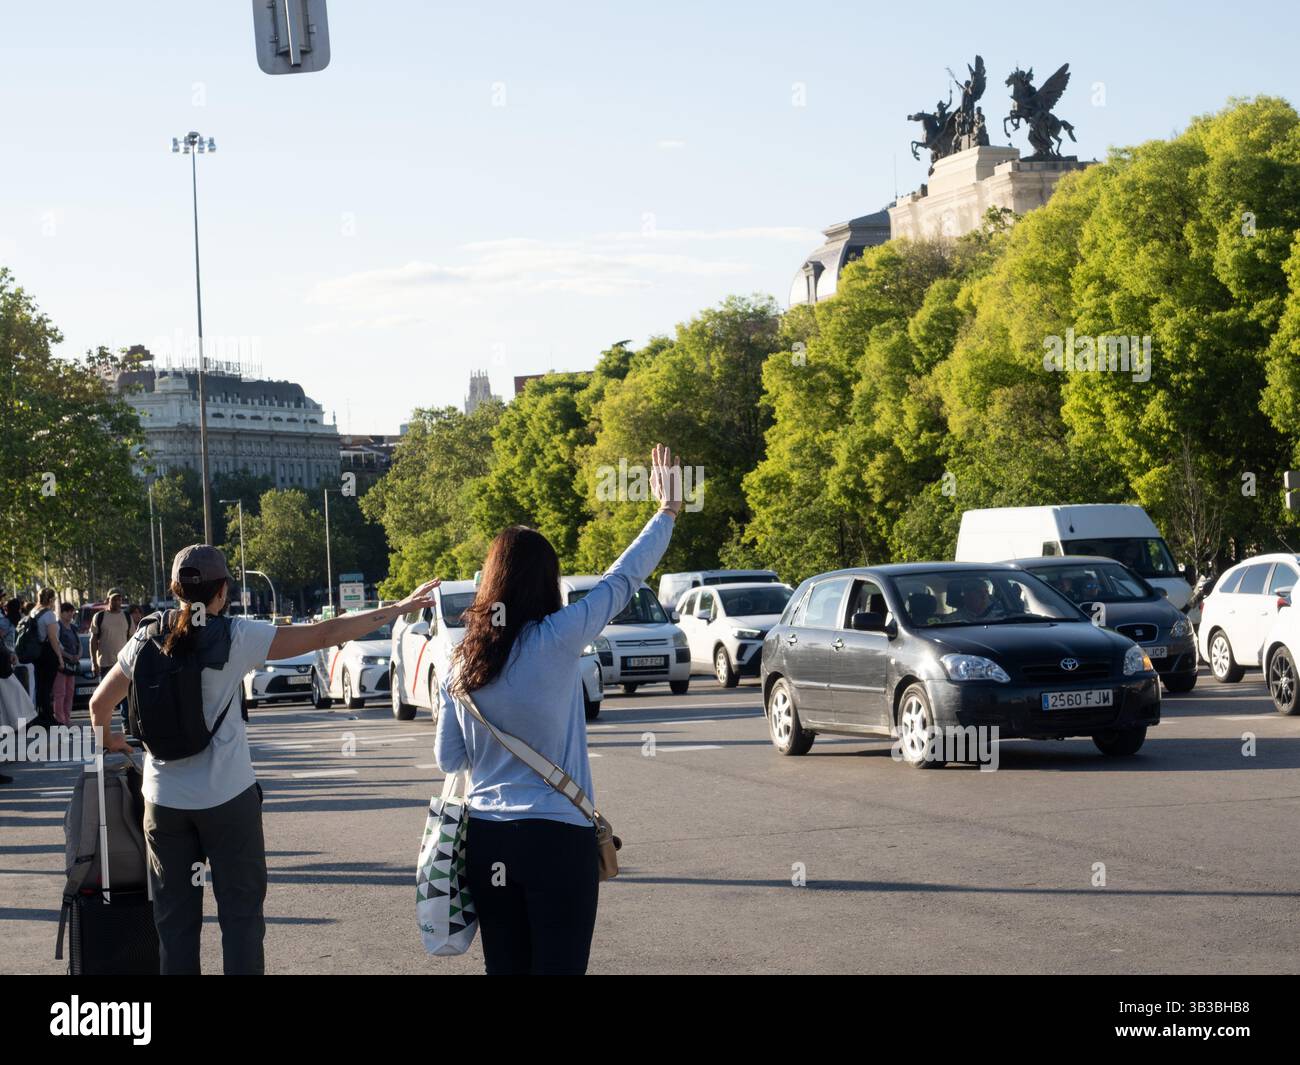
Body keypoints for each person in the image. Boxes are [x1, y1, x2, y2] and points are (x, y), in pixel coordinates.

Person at [90, 544, 438, 975]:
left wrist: (116, 743)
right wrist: (401, 607)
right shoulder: (238, 636)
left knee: (174, 924)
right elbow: (327, 633)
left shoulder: (144, 635)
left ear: (176, 591)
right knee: (241, 919)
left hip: (164, 803)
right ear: (223, 592)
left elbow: (99, 706)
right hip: (228, 801)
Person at [434, 444, 683, 975]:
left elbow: (449, 760)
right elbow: (622, 580)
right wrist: (665, 513)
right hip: (556, 838)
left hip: (487, 841)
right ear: (546, 582)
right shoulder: (558, 636)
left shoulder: (460, 661)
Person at [90, 590, 131, 723]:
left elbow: (132, 639)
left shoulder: (126, 616)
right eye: (114, 599)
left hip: (123, 664)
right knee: (105, 698)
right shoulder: (100, 616)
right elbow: (93, 640)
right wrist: (93, 663)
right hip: (105, 662)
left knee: (125, 696)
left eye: (119, 599)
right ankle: (103, 725)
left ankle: (126, 724)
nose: (117, 602)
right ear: (108, 600)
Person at [26, 588, 62, 727]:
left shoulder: (33, 612)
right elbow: (52, 637)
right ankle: (48, 717)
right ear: (52, 599)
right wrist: (59, 657)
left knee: (40, 686)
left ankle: (40, 715)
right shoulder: (49, 615)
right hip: (48, 652)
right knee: (47, 687)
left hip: (38, 652)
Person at [53, 602, 79, 726]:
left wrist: (78, 655)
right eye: (67, 611)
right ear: (61, 612)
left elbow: (78, 643)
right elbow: (57, 645)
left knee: (70, 693)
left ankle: (67, 719)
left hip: (72, 666)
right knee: (60, 693)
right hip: (61, 665)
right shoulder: (57, 626)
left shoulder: (73, 627)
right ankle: (60, 720)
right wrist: (68, 656)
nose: (70, 614)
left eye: (71, 611)